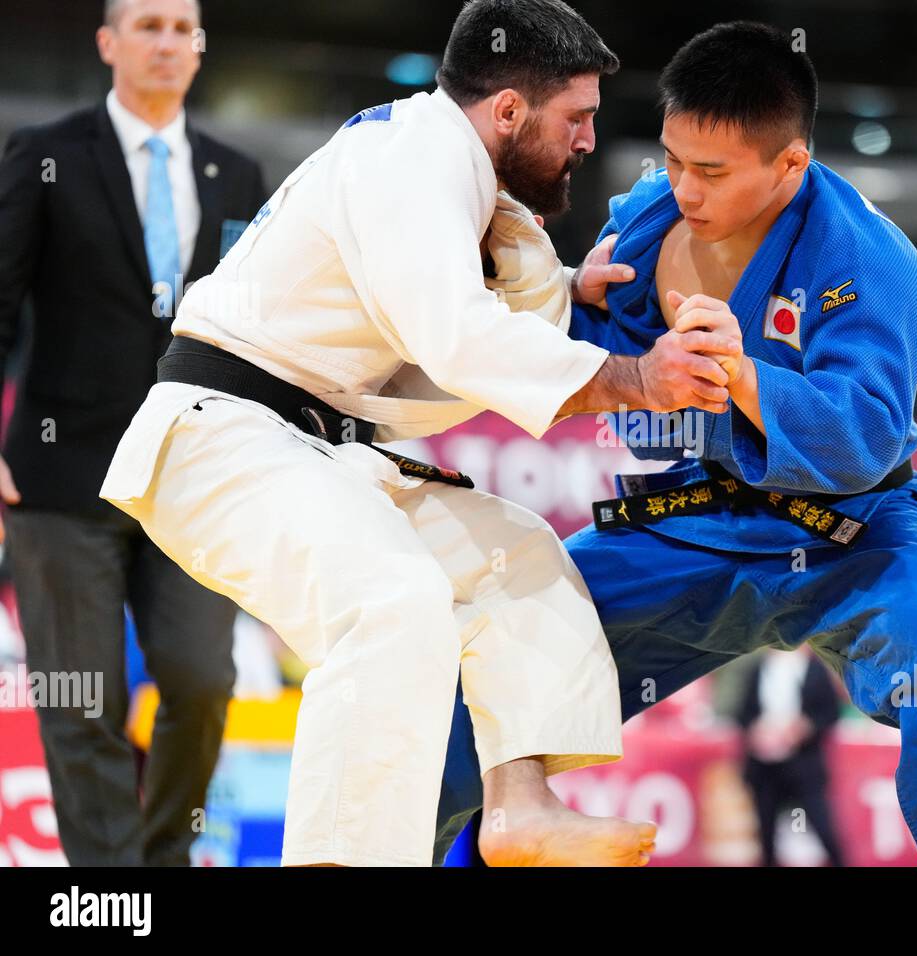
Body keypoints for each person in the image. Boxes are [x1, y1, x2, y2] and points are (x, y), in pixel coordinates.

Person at [100, 0, 739, 867]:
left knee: (521, 555)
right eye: (576, 117)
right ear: (508, 109)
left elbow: (459, 316)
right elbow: (458, 338)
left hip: (317, 448)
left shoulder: (462, 179)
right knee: (391, 603)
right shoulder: (411, 158)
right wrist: (634, 380)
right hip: (223, 433)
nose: (589, 139)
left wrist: (564, 289)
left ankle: (519, 805)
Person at [435, 21, 917, 867]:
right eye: (671, 158)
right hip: (692, 522)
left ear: (790, 166)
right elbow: (587, 353)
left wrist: (743, 377)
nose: (683, 188)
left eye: (711, 170)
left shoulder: (873, 264)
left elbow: (865, 436)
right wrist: (551, 292)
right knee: (484, 659)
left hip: (853, 531)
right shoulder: (646, 223)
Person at [0, 0, 264, 866]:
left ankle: (163, 862)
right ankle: (113, 898)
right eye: (146, 25)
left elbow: (262, 331)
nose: (165, 42)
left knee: (202, 677)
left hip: (193, 480)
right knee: (81, 698)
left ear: (199, 48)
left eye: (181, 27)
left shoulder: (239, 175)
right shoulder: (45, 155)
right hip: (61, 477)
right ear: (108, 43)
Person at [738, 648, 846, 867]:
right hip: (764, 765)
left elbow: (830, 713)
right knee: (766, 831)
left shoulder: (815, 669)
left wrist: (805, 728)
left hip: (803, 764)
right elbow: (742, 713)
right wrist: (756, 730)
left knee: (822, 826)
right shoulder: (758, 667)